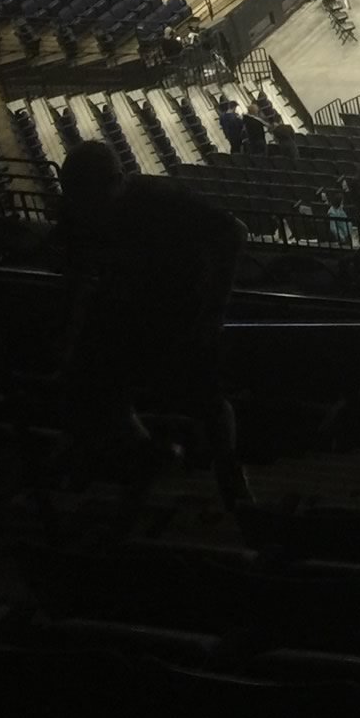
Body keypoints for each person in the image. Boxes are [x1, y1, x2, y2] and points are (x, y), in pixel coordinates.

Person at [51, 143, 250, 509]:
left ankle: (225, 476)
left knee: (204, 398)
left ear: (116, 185)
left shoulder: (162, 200)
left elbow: (232, 232)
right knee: (102, 390)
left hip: (181, 305)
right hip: (130, 307)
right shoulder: (77, 210)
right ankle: (153, 459)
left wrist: (213, 311)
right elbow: (76, 275)